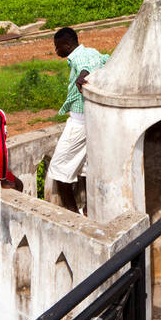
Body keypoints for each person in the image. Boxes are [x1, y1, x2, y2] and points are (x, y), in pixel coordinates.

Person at [51, 27, 109, 214]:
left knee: (59, 167)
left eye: (57, 47)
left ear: (67, 45)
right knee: (85, 166)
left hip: (80, 122)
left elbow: (87, 64)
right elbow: (104, 59)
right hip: (92, 120)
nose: (56, 51)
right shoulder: (92, 51)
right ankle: (88, 209)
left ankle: (72, 212)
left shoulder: (79, 57)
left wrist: (83, 74)